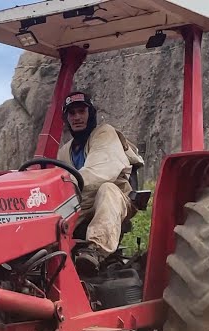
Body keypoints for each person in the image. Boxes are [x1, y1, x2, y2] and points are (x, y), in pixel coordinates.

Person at [56, 90, 145, 273]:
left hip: (116, 200)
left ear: (91, 113)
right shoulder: (65, 152)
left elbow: (100, 173)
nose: (77, 117)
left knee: (107, 189)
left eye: (82, 111)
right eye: (71, 113)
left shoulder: (105, 134)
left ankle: (95, 250)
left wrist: (61, 189)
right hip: (80, 204)